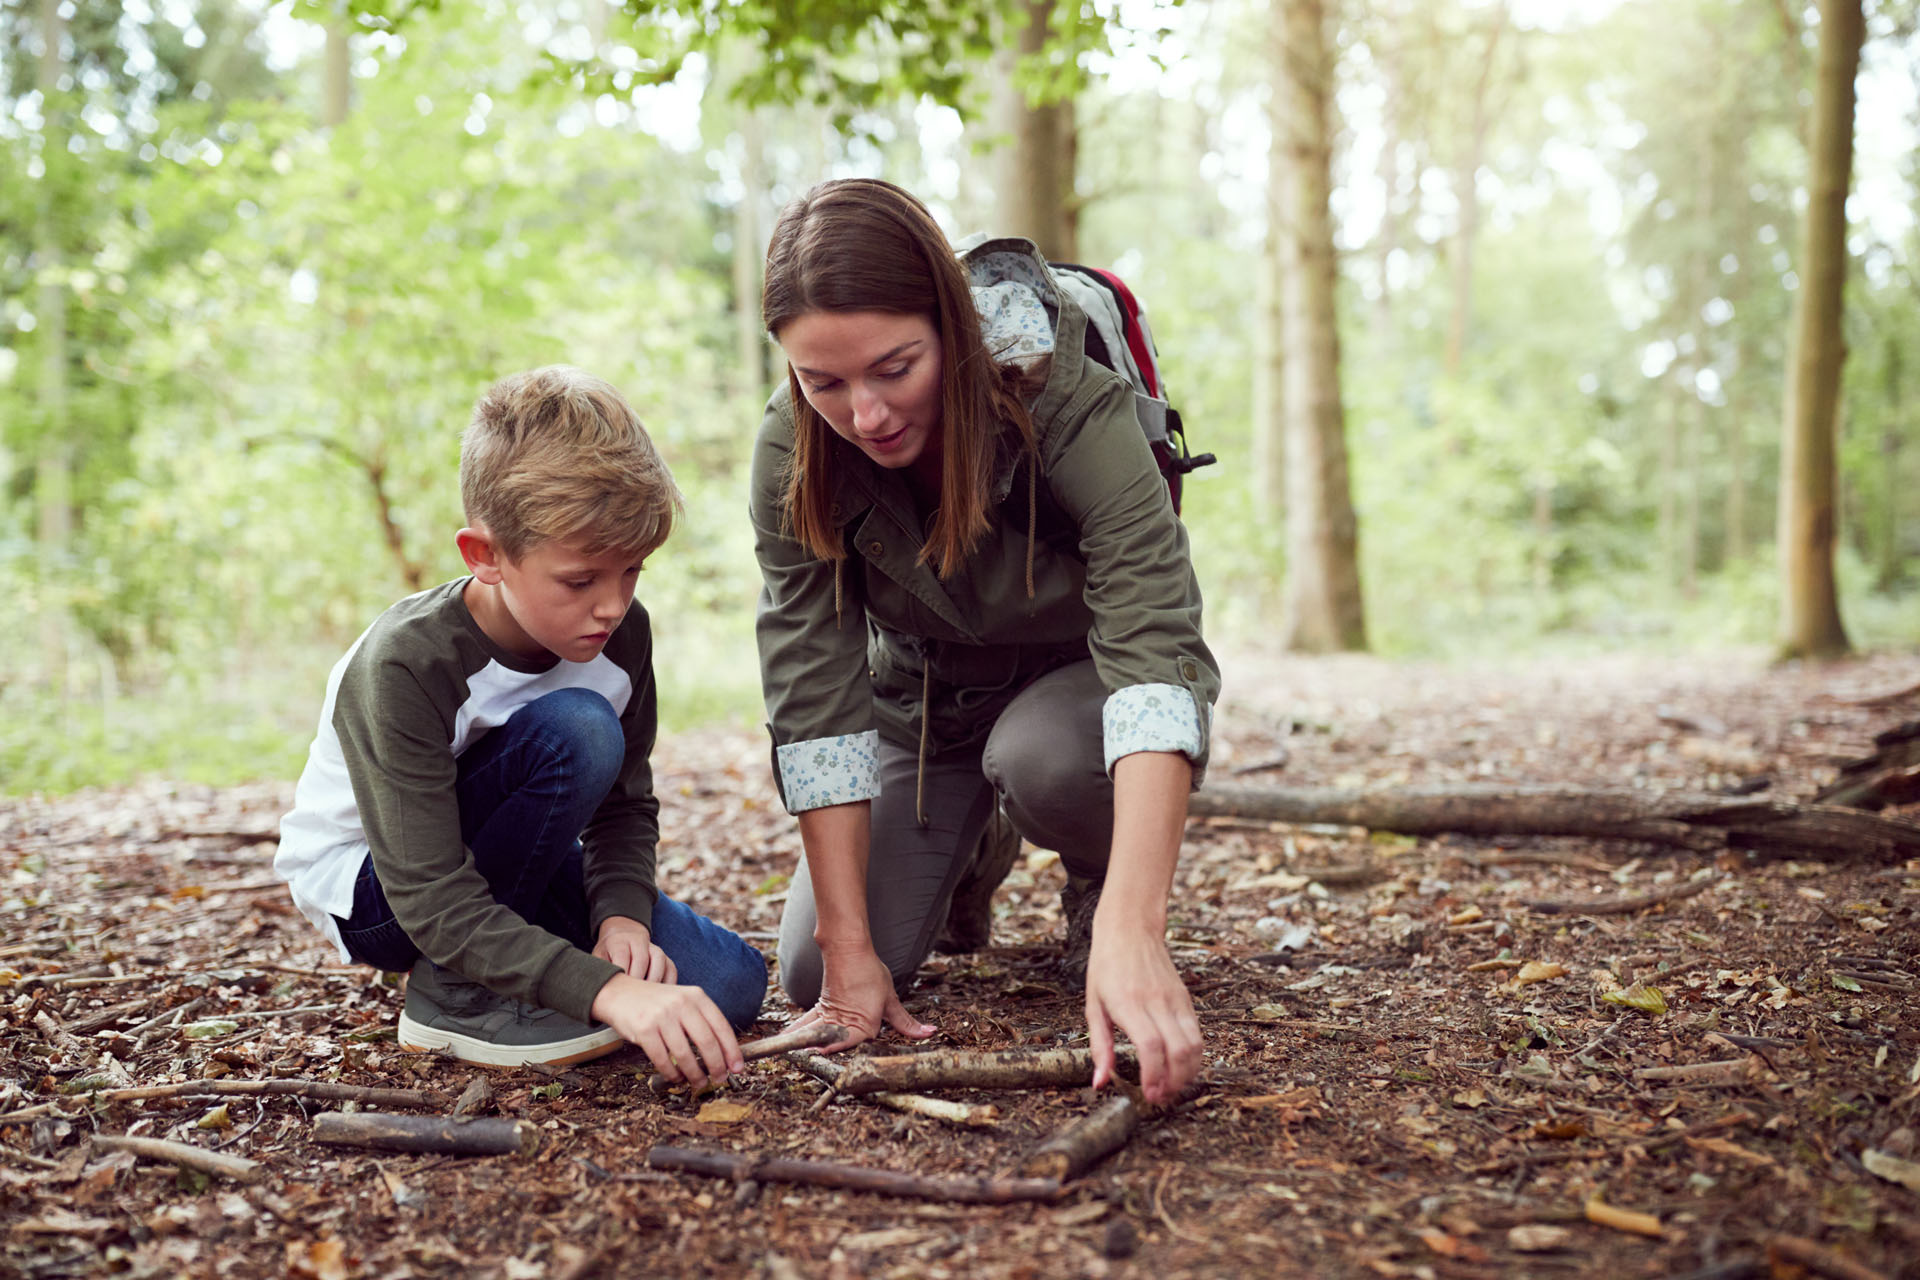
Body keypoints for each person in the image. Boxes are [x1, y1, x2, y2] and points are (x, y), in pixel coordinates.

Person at [750, 179, 1221, 1104]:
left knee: (1041, 757)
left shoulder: (1069, 407)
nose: (867, 414)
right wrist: (850, 952)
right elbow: (814, 696)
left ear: (951, 327)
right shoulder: (792, 451)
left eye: (896, 368)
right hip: (925, 708)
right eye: (824, 381)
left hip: (1074, 694)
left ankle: (1096, 880)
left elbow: (1155, 662)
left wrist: (1136, 931)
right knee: (814, 975)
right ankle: (973, 851)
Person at [275, 366, 765, 1083]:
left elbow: (624, 807)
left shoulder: (624, 636)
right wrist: (606, 989)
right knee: (580, 728)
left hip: (513, 864)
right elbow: (431, 896)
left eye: (632, 571)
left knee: (729, 985)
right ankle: (453, 995)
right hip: (385, 894)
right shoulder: (407, 665)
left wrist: (621, 919)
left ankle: (513, 967)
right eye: (579, 580)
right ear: (486, 556)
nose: (611, 605)